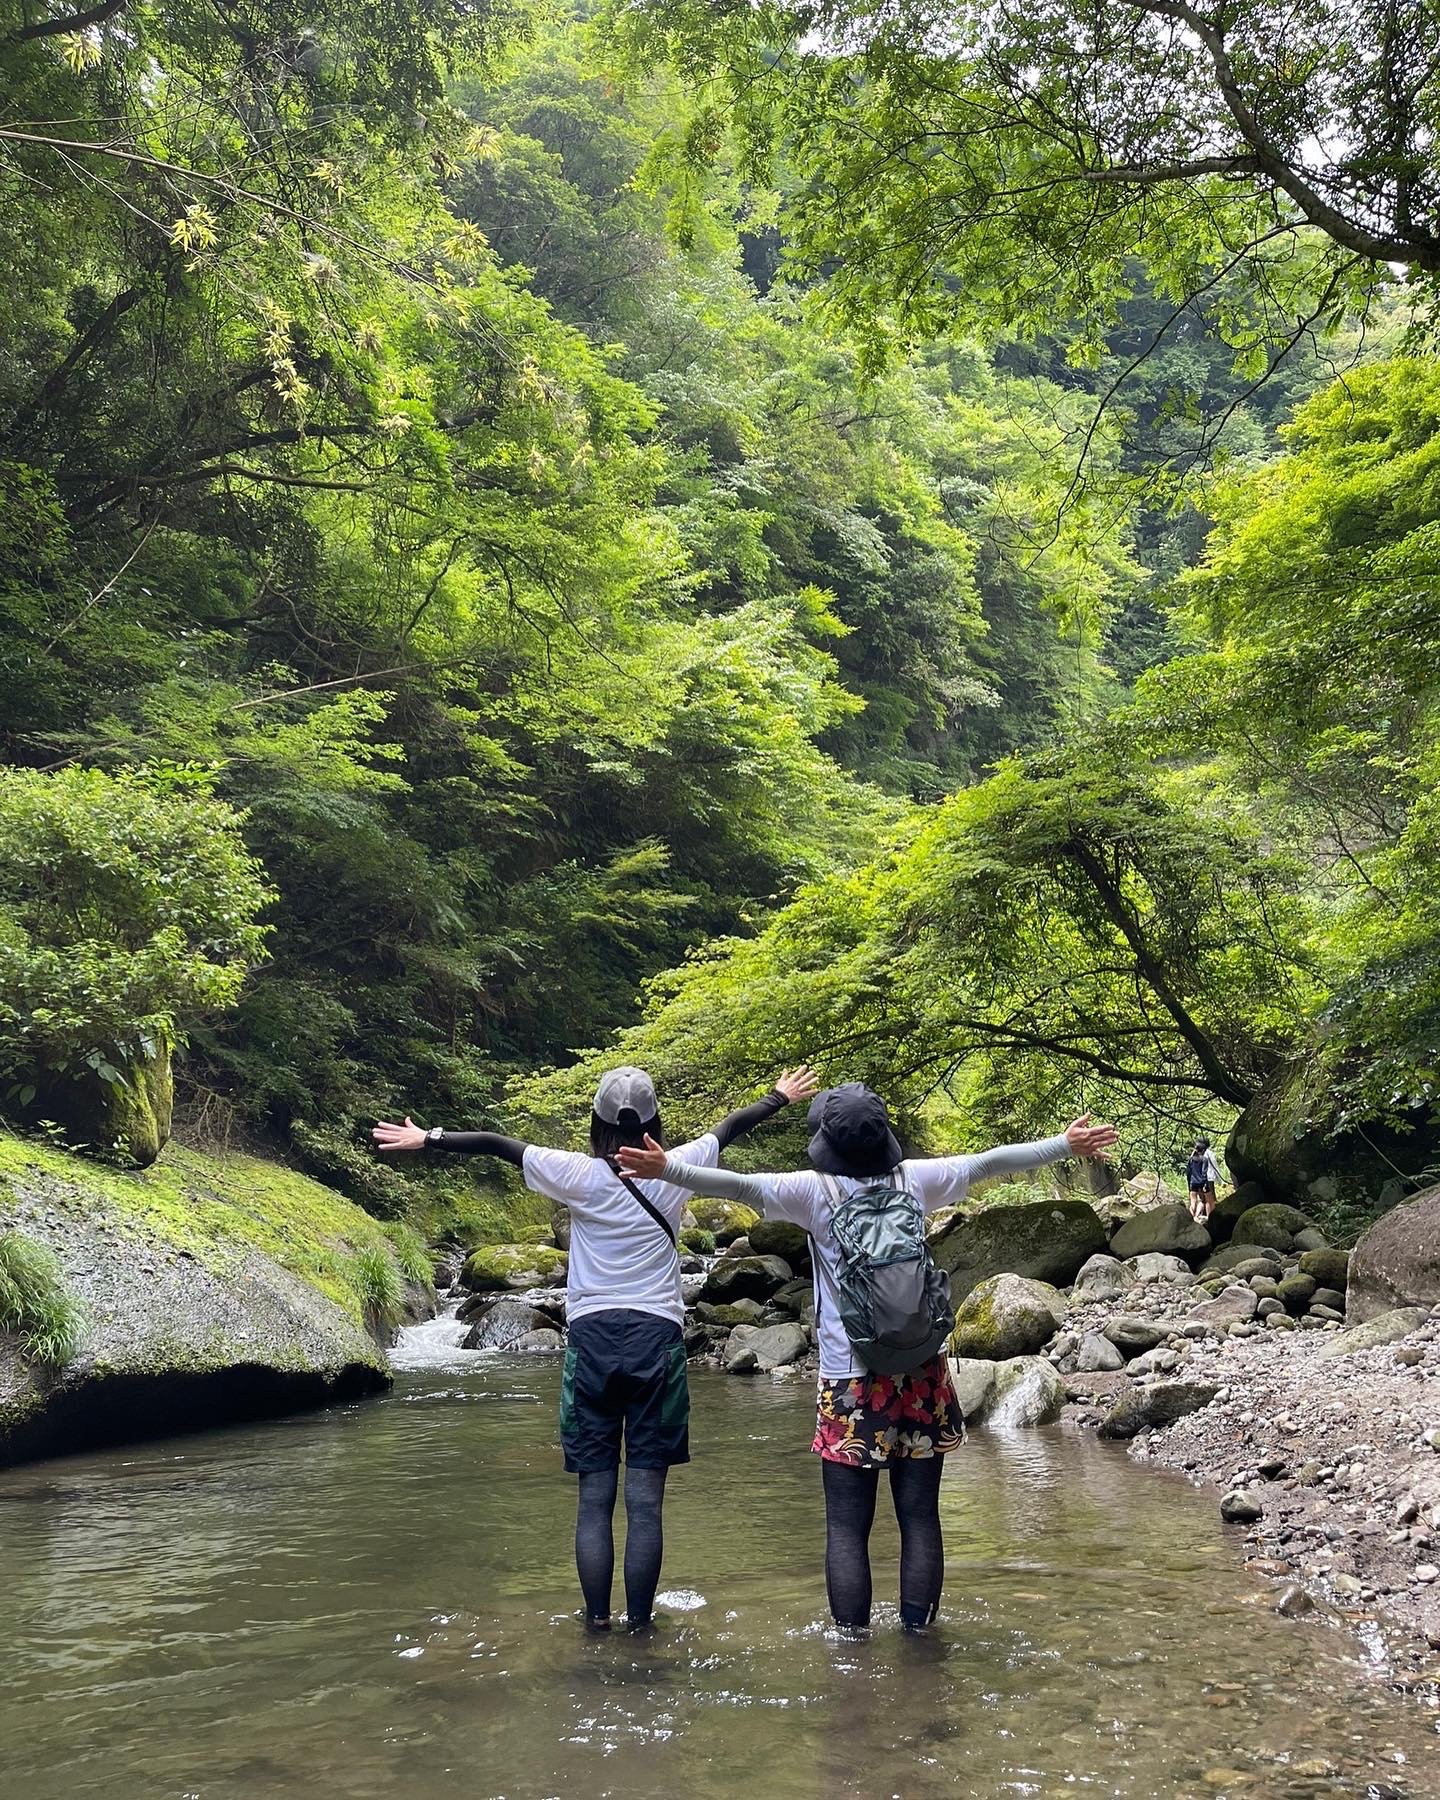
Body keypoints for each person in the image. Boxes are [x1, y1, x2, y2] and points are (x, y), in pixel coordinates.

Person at [618, 1083, 1117, 1635]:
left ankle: (852, 1660)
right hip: (923, 1372)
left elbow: (736, 1184)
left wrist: (666, 1169)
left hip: (852, 1383)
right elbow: (989, 1163)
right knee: (921, 1519)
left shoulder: (811, 1192)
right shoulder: (915, 1180)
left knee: (847, 1529)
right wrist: (1064, 1144)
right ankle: (921, 1642)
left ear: (826, 1142)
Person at [372, 1063, 818, 1631]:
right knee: (646, 1503)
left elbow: (496, 1145)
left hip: (592, 1341)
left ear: (596, 1123)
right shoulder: (676, 1168)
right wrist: (778, 1097)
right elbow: (732, 1127)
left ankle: (595, 1626)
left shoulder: (574, 1174)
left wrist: (427, 1137)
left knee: (593, 1500)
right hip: (656, 1340)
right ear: (655, 1120)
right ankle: (640, 1628)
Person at [1186, 1138, 1221, 1220]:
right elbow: (1205, 1172)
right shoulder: (1206, 1157)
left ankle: (1192, 1217)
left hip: (1193, 1182)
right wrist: (1219, 1180)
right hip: (1205, 1181)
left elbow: (1188, 1171)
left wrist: (1189, 1182)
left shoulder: (1192, 1158)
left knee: (1195, 1201)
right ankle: (1210, 1218)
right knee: (1209, 1201)